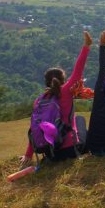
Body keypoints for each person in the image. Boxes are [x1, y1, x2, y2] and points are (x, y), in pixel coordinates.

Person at [21, 31, 92, 166]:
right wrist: (86, 46)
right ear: (63, 80)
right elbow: (78, 70)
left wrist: (28, 155)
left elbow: (35, 128)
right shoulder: (66, 92)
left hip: (51, 152)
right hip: (70, 150)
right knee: (80, 119)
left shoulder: (39, 101)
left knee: (77, 120)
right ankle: (89, 148)